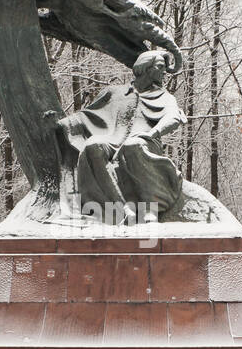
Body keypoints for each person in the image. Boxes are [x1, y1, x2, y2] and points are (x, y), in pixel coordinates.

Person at [49, 46, 185, 225]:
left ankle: (150, 207)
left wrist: (153, 132)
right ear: (146, 68)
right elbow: (87, 114)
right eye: (160, 66)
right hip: (114, 139)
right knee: (93, 145)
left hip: (145, 142)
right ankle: (122, 209)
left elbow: (173, 117)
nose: (164, 72)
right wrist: (61, 123)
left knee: (132, 145)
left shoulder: (165, 97)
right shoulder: (115, 92)